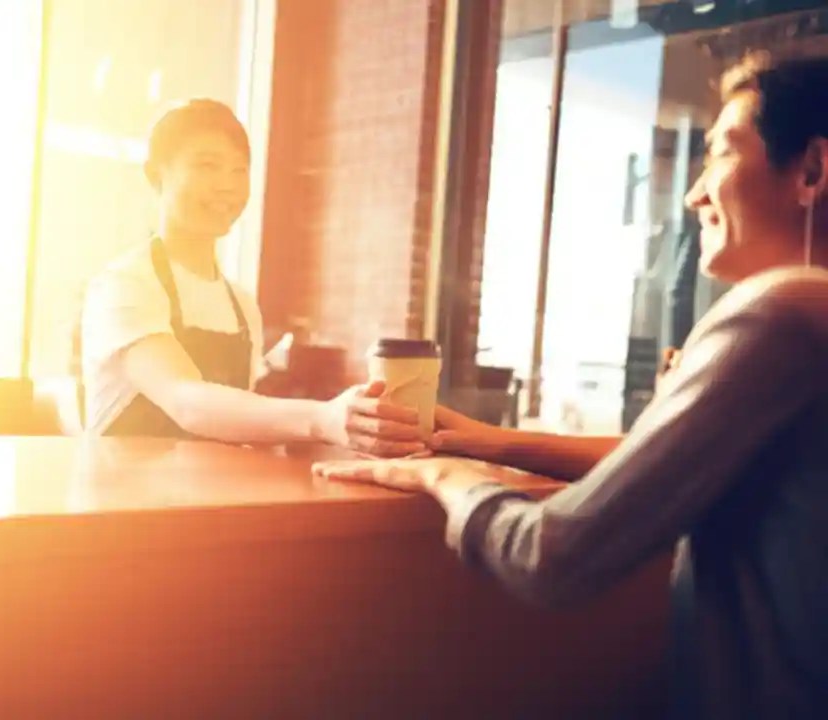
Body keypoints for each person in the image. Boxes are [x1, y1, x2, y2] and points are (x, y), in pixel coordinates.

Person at [314, 53, 828, 718]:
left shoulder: (782, 312)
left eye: (721, 153)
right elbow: (669, 466)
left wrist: (444, 478)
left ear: (812, 170)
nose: (695, 194)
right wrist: (489, 441)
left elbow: (552, 557)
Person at [80, 99, 419, 455]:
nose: (226, 186)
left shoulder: (240, 305)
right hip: (126, 504)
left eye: (239, 171)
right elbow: (185, 400)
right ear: (155, 175)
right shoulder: (125, 285)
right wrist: (322, 418)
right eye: (206, 165)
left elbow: (241, 427)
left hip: (211, 503)